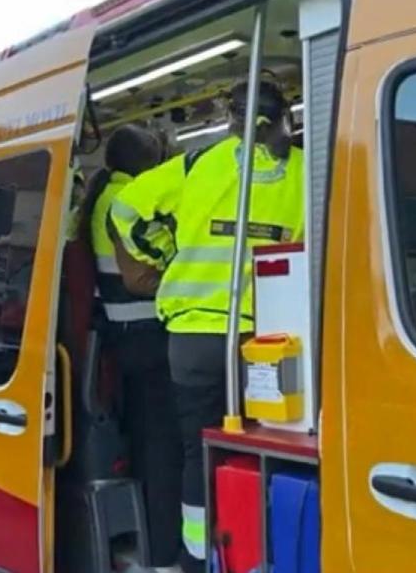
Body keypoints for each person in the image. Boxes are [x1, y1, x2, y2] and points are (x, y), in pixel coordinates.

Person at [111, 79, 304, 573]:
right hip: (268, 343)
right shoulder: (306, 173)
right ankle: (258, 554)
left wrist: (163, 255)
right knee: (272, 451)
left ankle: (198, 559)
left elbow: (124, 209)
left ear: (233, 119)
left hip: (193, 338)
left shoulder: (198, 165)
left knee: (198, 452)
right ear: (285, 118)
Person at [85, 124, 184, 572]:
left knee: (147, 447)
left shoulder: (101, 196)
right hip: (150, 340)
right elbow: (147, 272)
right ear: (146, 164)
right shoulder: (134, 200)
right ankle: (165, 554)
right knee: (164, 452)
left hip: (123, 342)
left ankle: (154, 544)